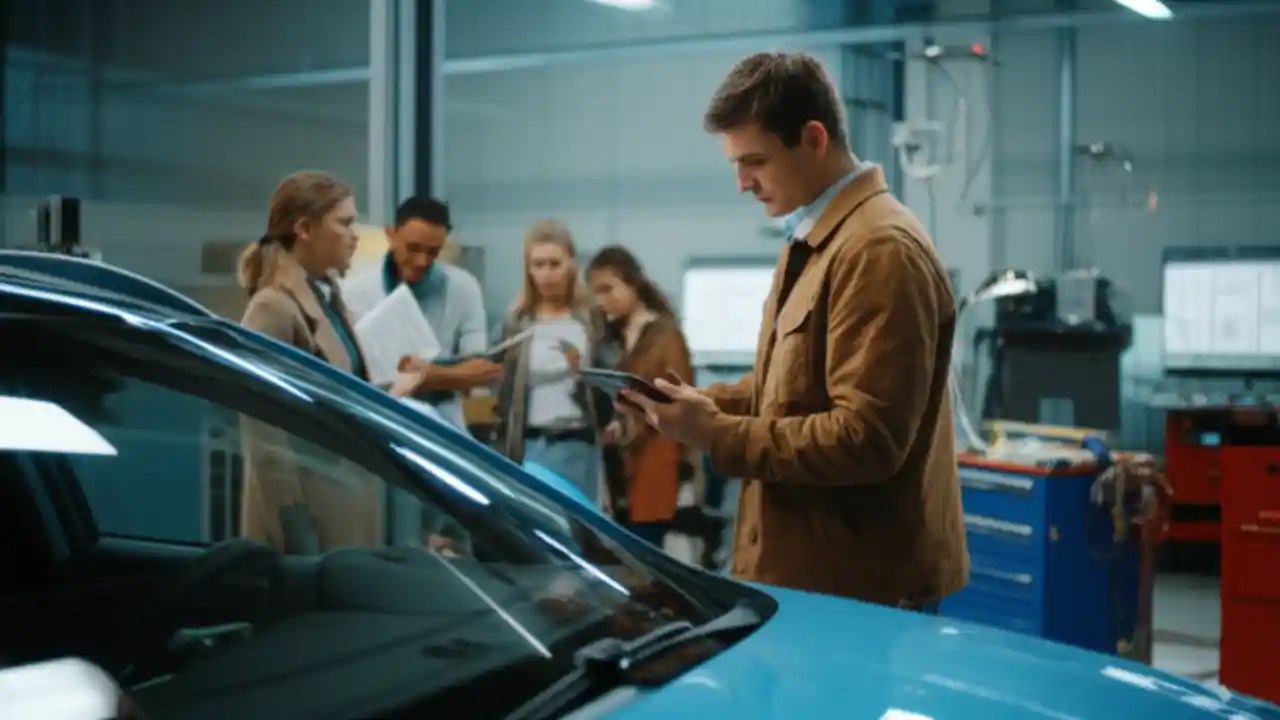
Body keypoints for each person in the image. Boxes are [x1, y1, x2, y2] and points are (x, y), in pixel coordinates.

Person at [618, 52, 968, 612]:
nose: (742, 183)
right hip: (811, 577)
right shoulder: (814, 239)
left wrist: (716, 434)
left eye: (755, 161)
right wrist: (696, 404)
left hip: (859, 590)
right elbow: (787, 389)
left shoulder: (878, 249)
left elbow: (866, 440)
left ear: (813, 138)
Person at [237, 170, 396, 552]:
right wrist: (293, 523)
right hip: (312, 512)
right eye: (344, 223)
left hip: (348, 499)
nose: (355, 235)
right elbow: (264, 434)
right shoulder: (273, 307)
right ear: (305, 228)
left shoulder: (328, 298)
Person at [342, 196, 501, 432]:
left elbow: (482, 369)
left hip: (443, 426)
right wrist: (446, 375)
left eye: (433, 252)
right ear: (391, 234)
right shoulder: (354, 291)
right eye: (413, 248)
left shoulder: (463, 287)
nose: (421, 260)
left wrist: (430, 375)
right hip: (376, 424)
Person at [586, 246, 693, 548]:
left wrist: (634, 420)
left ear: (633, 283)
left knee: (646, 552)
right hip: (622, 463)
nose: (600, 300)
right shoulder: (612, 338)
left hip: (657, 456)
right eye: (595, 292)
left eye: (608, 289)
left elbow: (680, 399)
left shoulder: (664, 334)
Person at [495, 220, 607, 505]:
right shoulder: (517, 320)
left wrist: (582, 372)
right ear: (528, 268)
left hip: (578, 442)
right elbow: (503, 387)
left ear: (570, 264)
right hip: (530, 444)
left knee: (579, 533)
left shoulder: (589, 318)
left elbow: (608, 389)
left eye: (554, 264)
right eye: (538, 264)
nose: (546, 274)